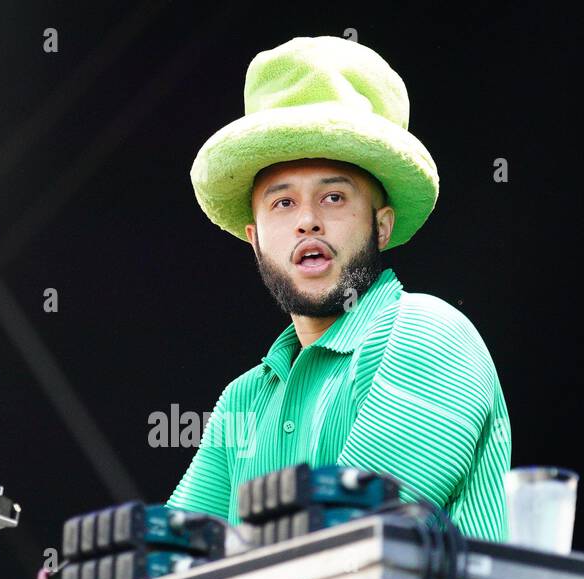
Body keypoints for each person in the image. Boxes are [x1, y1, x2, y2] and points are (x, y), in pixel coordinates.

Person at [167, 35, 511, 541]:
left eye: (332, 196)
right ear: (254, 238)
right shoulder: (243, 400)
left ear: (382, 226)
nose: (308, 220)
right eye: (282, 203)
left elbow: (344, 550)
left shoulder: (431, 334)